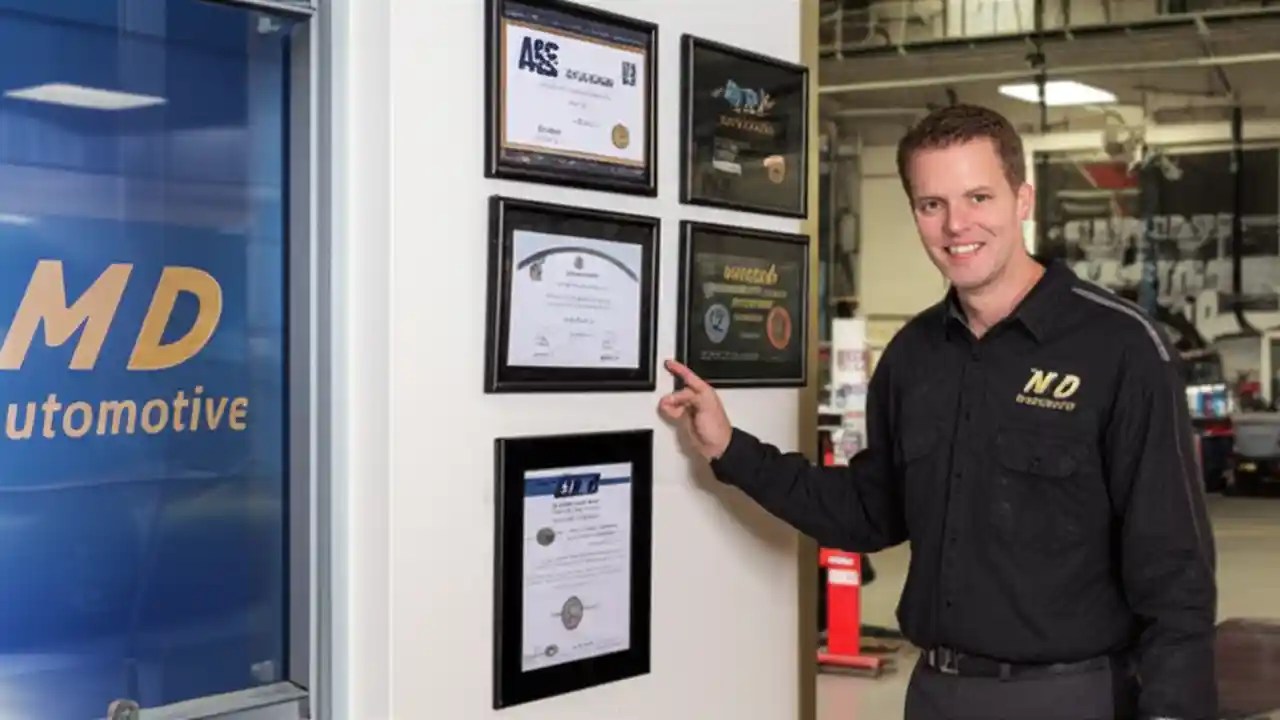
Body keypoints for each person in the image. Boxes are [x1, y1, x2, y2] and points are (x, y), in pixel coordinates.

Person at [659, 104, 1217, 720]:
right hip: (935, 695)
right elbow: (869, 513)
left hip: (1073, 697)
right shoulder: (910, 358)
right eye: (933, 204)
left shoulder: (1122, 348)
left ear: (1022, 199)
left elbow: (1176, 573)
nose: (957, 225)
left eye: (978, 197)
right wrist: (729, 447)